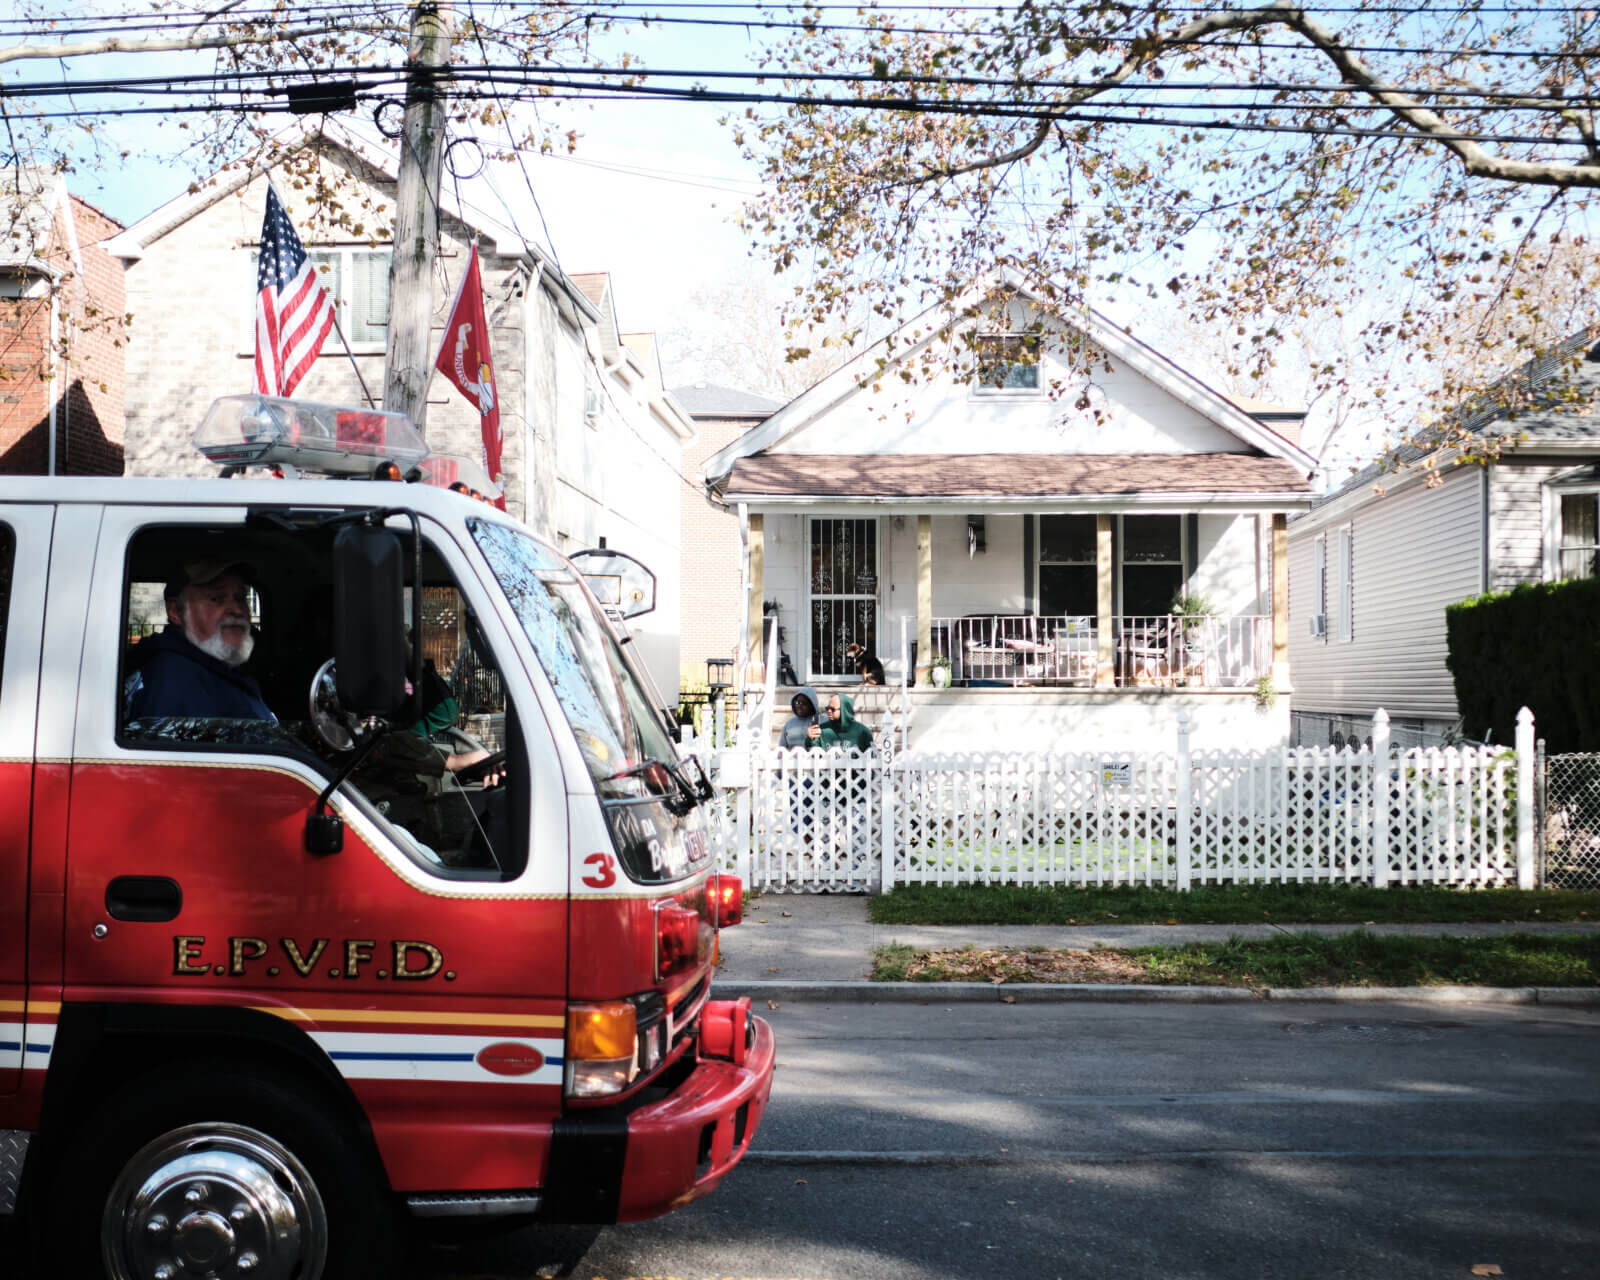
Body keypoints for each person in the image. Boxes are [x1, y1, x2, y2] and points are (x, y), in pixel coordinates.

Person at [125, 559, 276, 722]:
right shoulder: (175, 683)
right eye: (217, 599)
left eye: (240, 598)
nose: (237, 610)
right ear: (175, 611)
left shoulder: (213, 668)